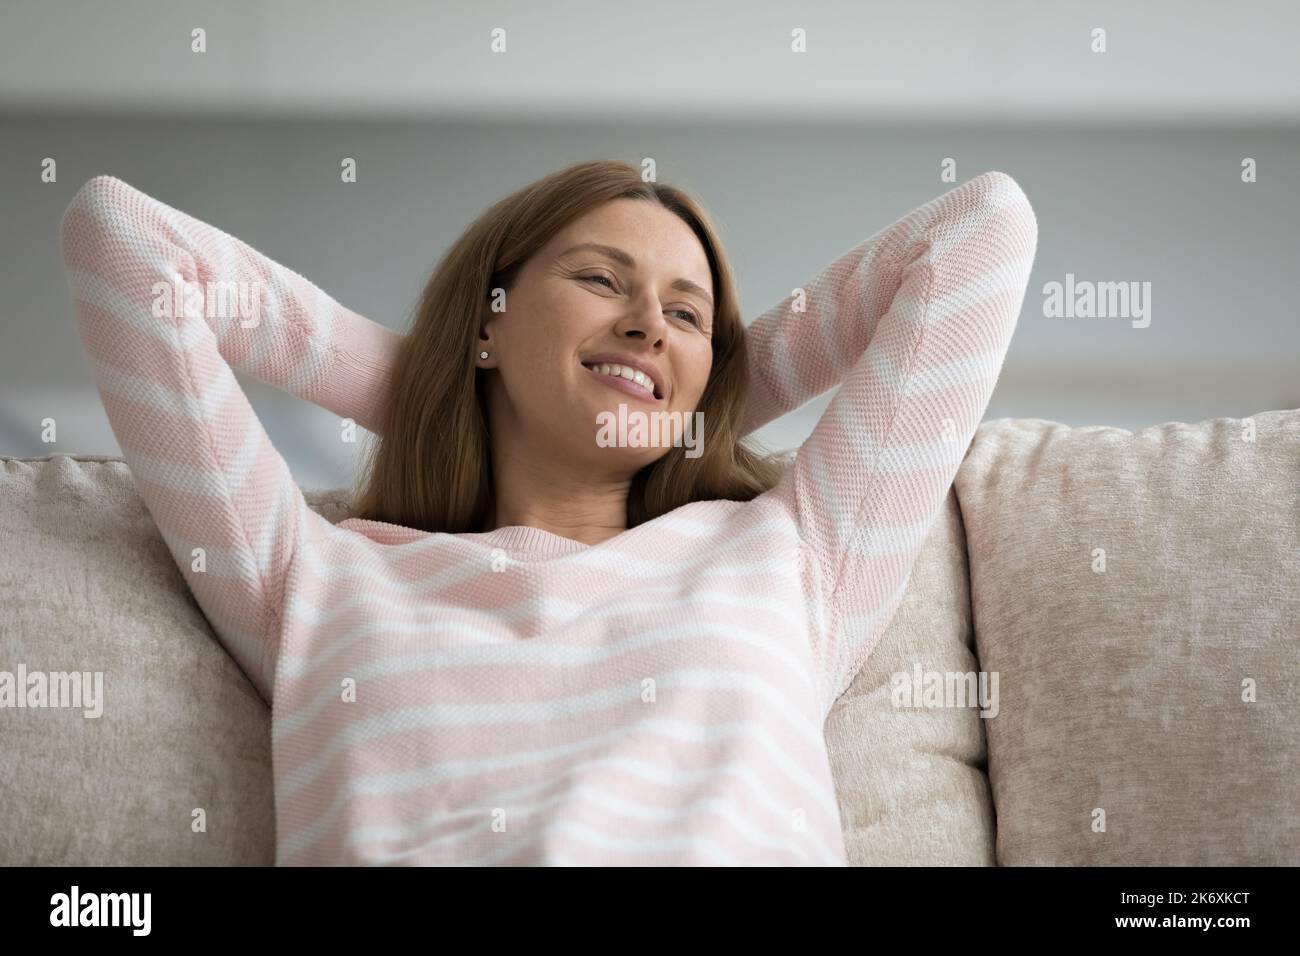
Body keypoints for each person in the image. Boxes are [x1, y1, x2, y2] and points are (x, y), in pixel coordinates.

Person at [60, 161, 1038, 865]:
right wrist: (435, 377)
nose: (650, 321)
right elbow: (126, 246)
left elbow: (981, 232)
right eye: (601, 279)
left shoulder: (790, 556)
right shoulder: (309, 576)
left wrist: (698, 399)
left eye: (687, 313)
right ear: (489, 317)